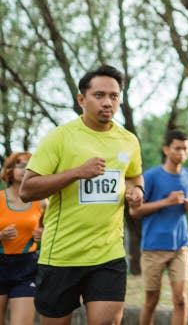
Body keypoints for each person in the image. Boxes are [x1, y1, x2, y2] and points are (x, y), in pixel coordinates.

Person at [19, 64, 144, 325]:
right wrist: (76, 172)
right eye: (99, 95)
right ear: (81, 99)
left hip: (108, 254)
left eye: (114, 96)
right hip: (62, 255)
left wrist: (136, 190)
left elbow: (133, 175)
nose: (108, 102)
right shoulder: (60, 138)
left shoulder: (128, 140)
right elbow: (27, 190)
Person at [129, 130, 188, 325]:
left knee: (181, 299)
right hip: (153, 247)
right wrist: (166, 202)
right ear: (166, 149)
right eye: (177, 148)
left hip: (180, 247)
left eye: (185, 149)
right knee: (151, 301)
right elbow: (135, 211)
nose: (182, 153)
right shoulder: (150, 176)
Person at [0, 152, 46, 325]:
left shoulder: (41, 202)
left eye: (30, 166)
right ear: (10, 170)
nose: (25, 169)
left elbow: (53, 229)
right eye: (20, 165)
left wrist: (44, 233)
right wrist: (1, 235)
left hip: (27, 268)